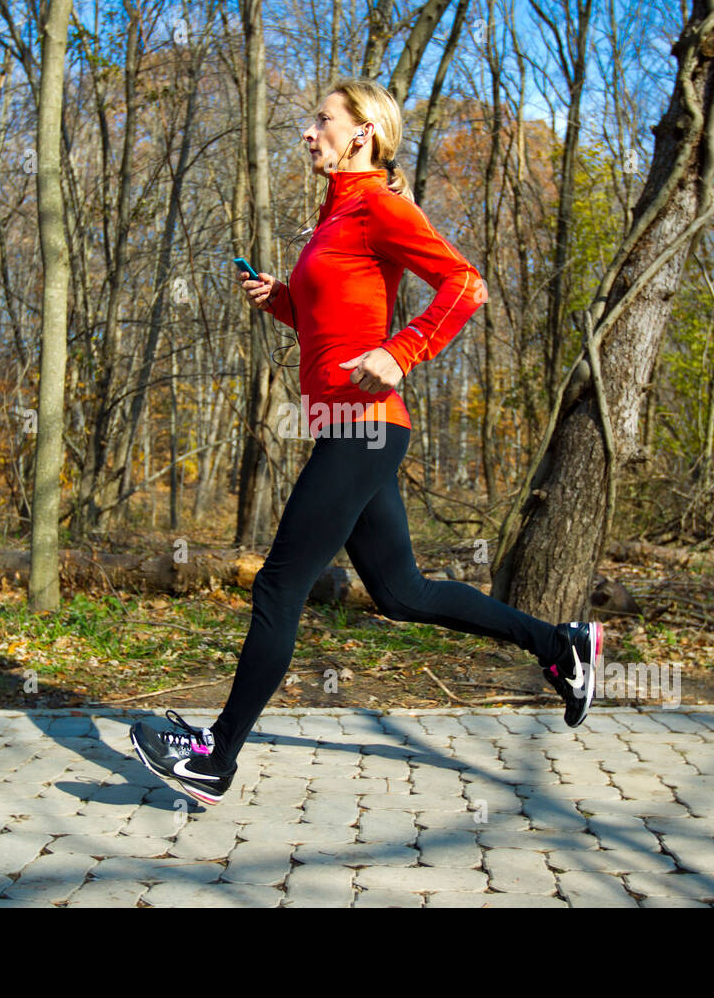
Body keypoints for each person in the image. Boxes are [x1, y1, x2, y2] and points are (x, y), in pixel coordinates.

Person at [131, 77, 602, 806]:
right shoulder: (332, 219)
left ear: (364, 133)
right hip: (355, 426)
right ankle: (559, 646)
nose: (307, 132)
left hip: (364, 424)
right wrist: (283, 300)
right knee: (402, 592)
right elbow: (335, 324)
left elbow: (466, 284)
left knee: (279, 583)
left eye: (322, 120)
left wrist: (405, 349)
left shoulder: (379, 204)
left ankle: (214, 757)